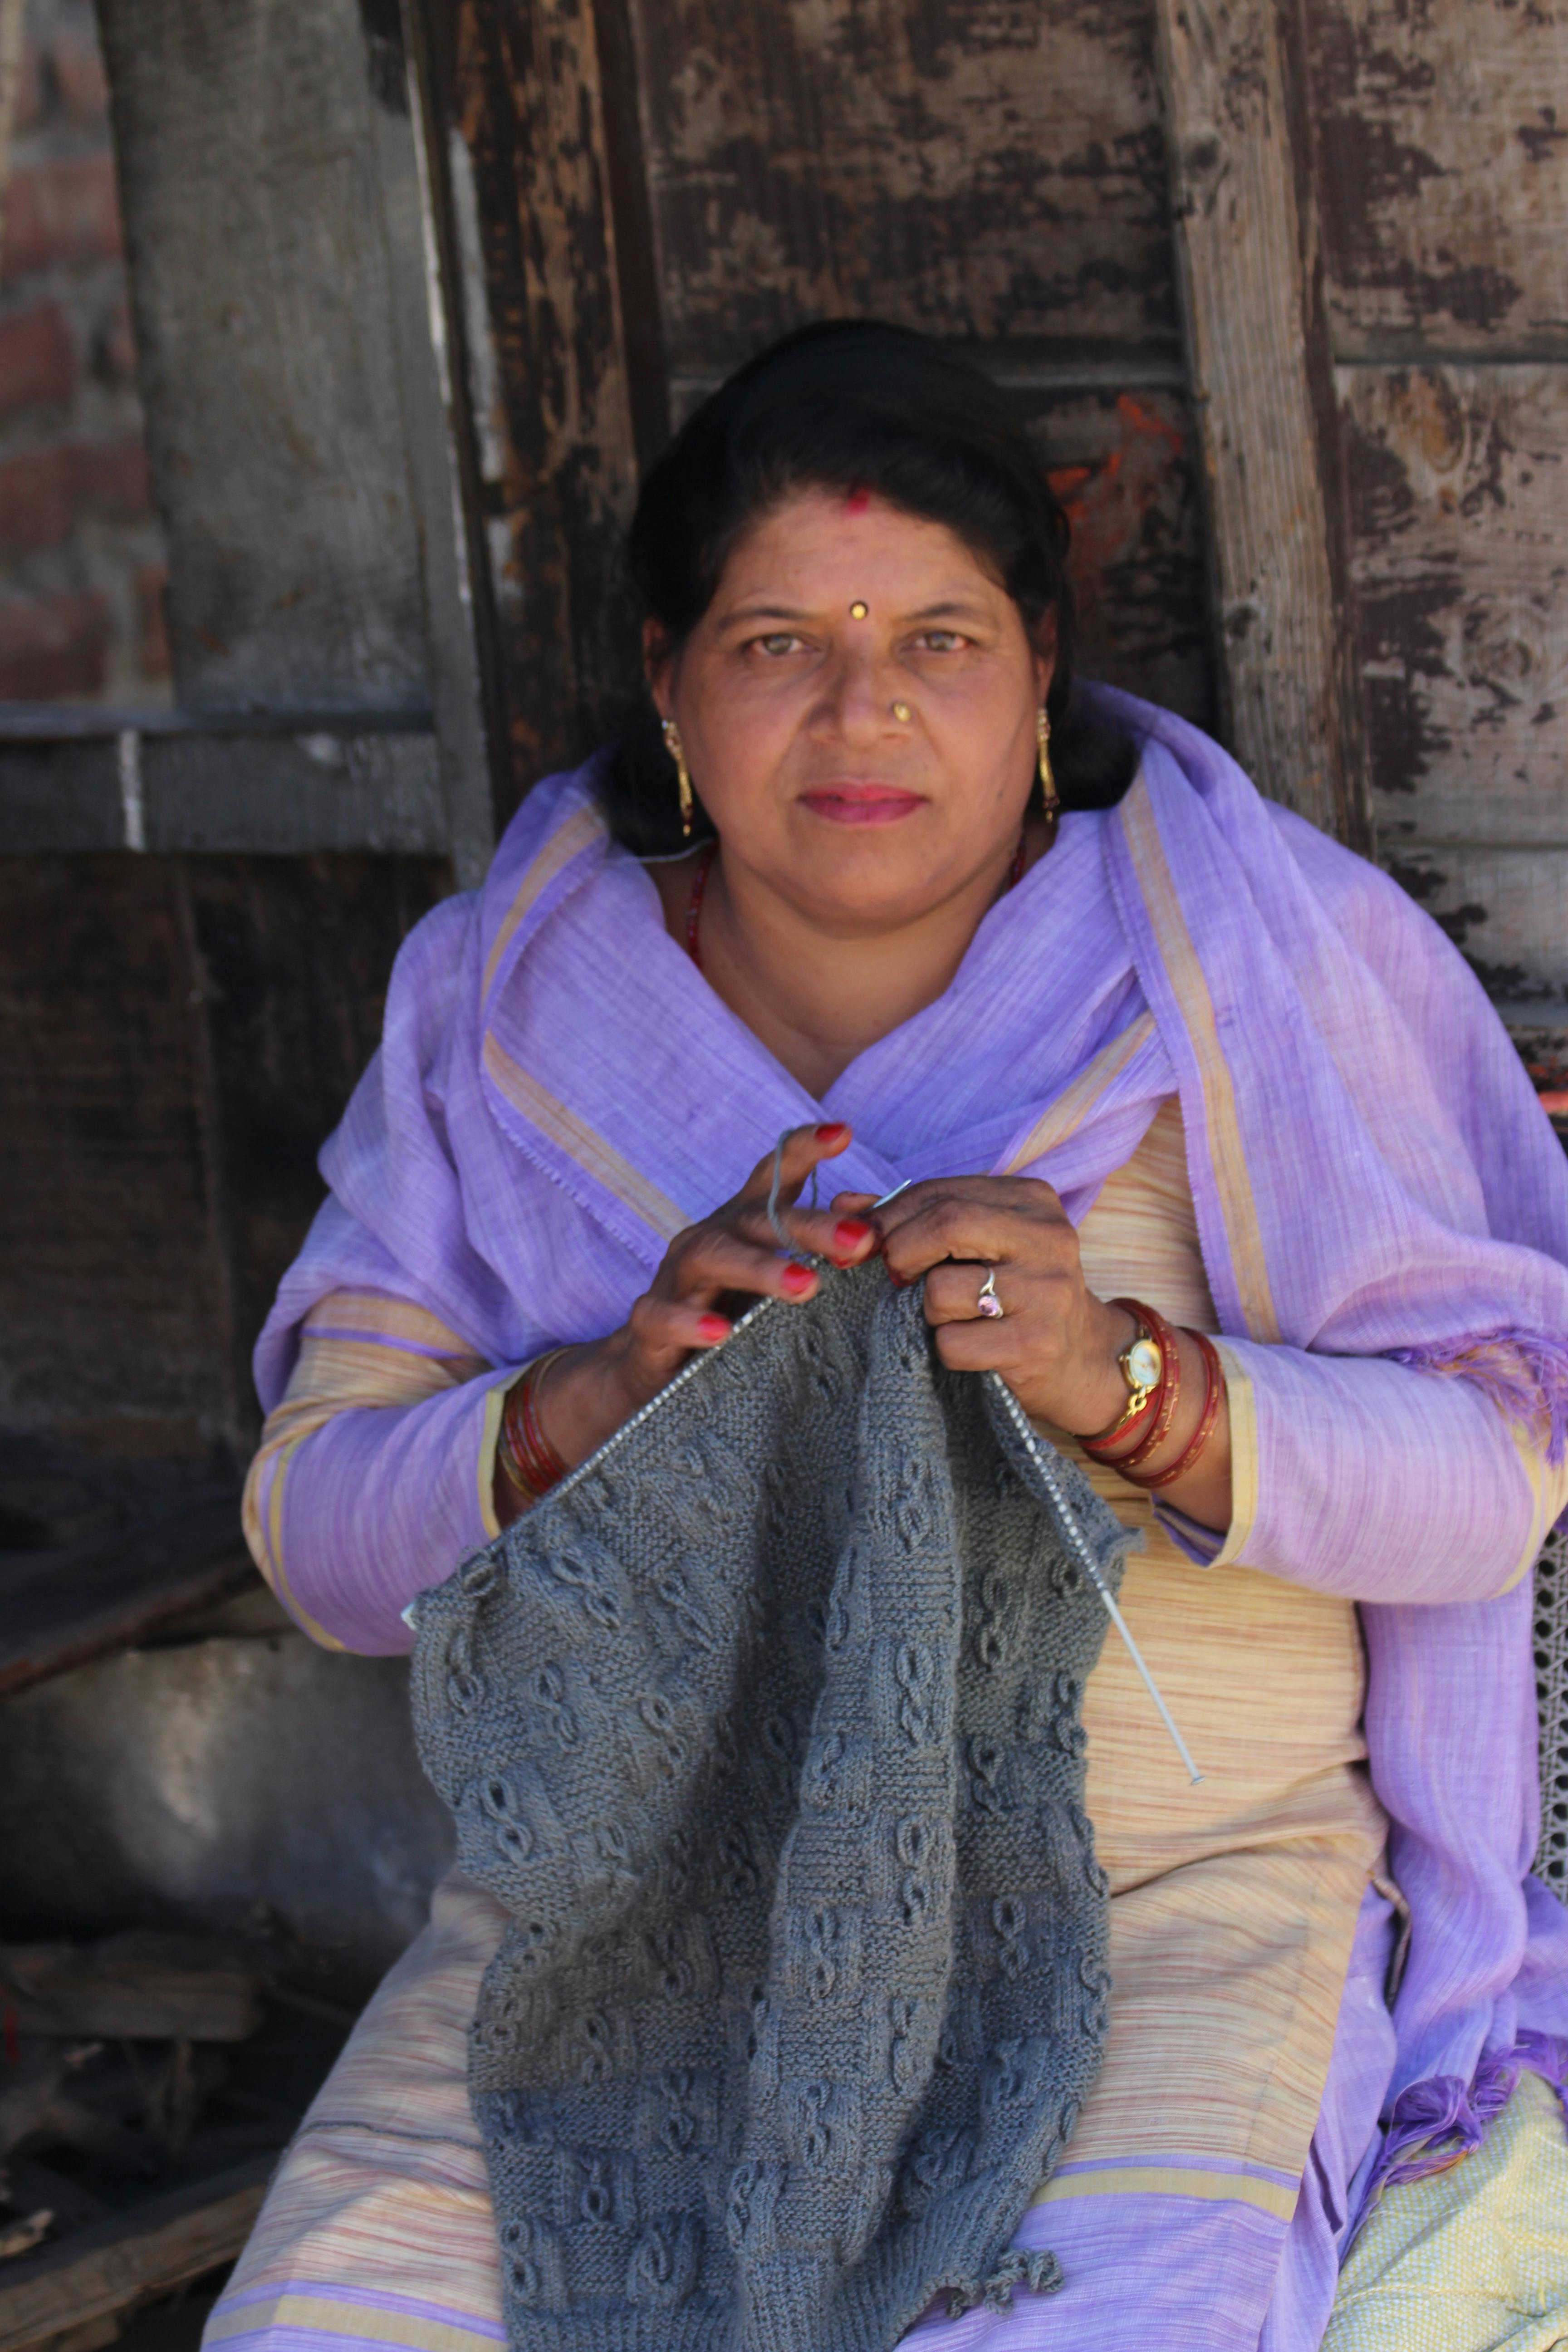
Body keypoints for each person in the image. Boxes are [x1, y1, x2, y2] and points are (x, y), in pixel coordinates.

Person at [210, 323, 1568, 2352]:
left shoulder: (1242, 957)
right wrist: (592, 1407)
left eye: (937, 638)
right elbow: (316, 1538)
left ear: (1040, 676)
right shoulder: (507, 1003)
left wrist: (1125, 1382)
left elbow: (1494, 1478)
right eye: (777, 643)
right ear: (670, 681)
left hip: (1163, 1909)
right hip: (631, 1929)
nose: (863, 710)